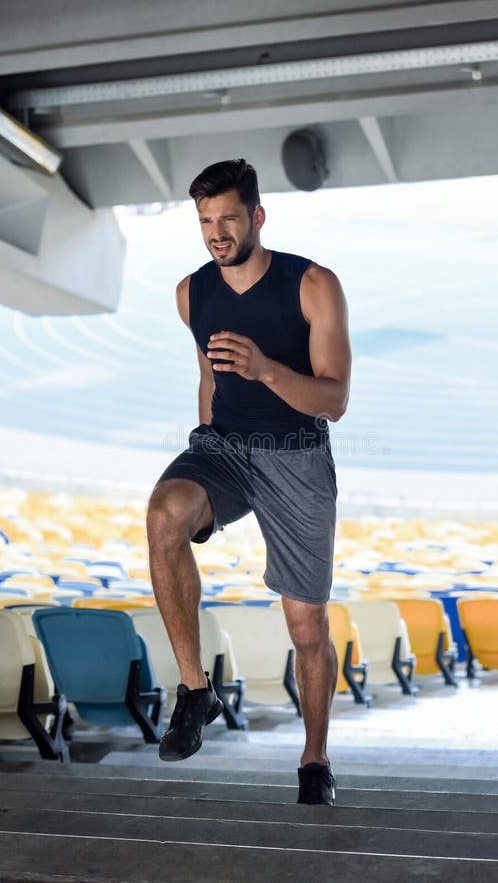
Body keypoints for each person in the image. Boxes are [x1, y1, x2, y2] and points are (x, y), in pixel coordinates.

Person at [146, 158, 351, 805]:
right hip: (226, 448)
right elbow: (208, 378)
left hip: (296, 454)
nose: (216, 232)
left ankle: (314, 758)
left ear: (256, 216)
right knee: (163, 515)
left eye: (228, 218)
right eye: (205, 220)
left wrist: (264, 370)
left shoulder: (313, 284)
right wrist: (207, 452)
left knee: (306, 629)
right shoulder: (191, 293)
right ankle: (194, 691)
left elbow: (333, 399)